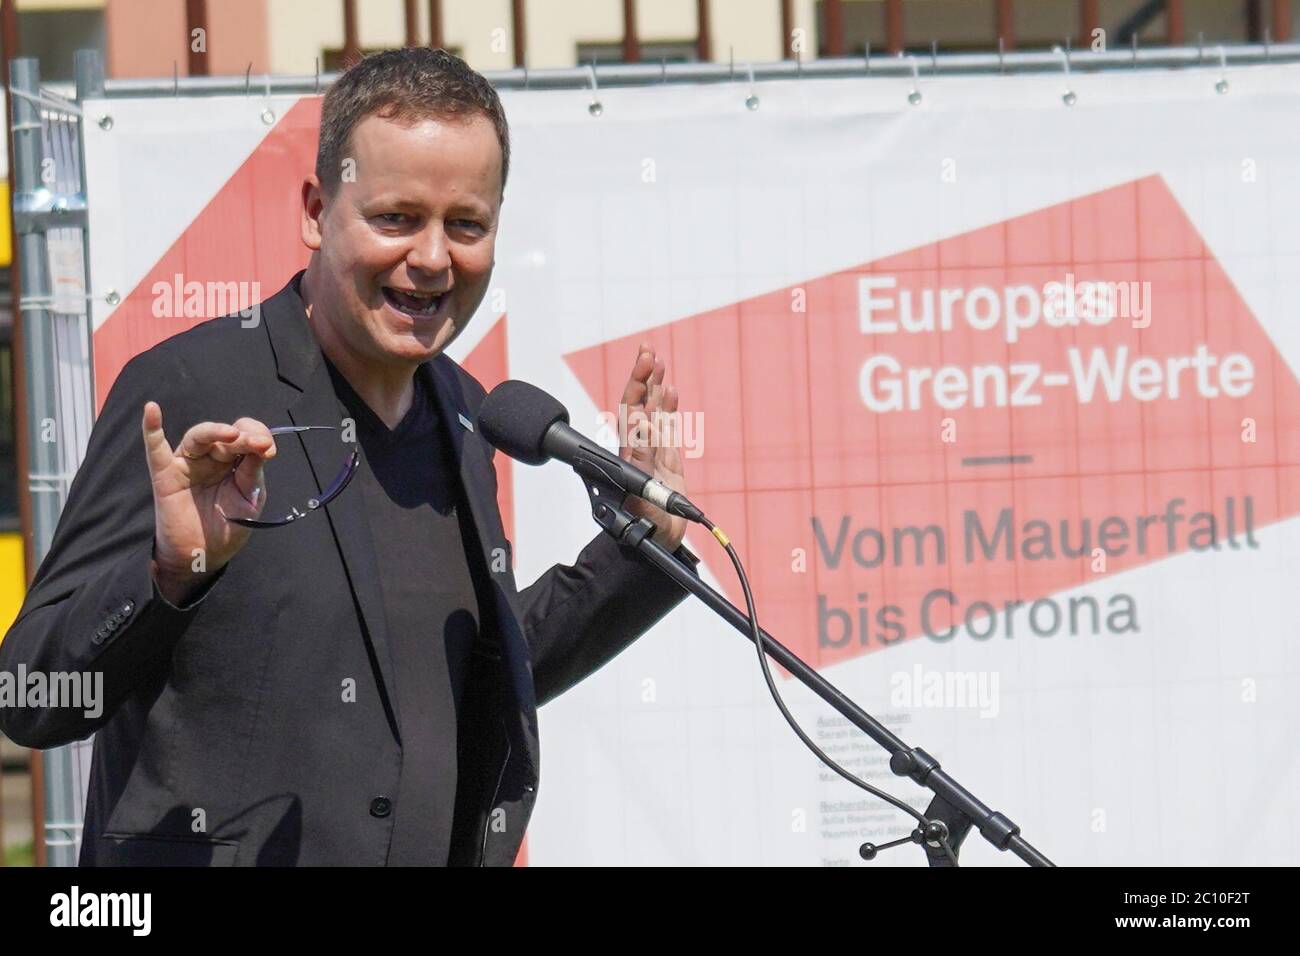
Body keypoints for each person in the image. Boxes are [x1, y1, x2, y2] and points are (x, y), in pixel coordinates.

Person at [0, 47, 697, 866]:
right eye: (397, 217)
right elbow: (31, 696)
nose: (434, 258)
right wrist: (169, 573)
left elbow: (462, 691)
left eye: (466, 224)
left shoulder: (467, 415)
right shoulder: (188, 387)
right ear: (316, 209)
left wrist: (643, 549)